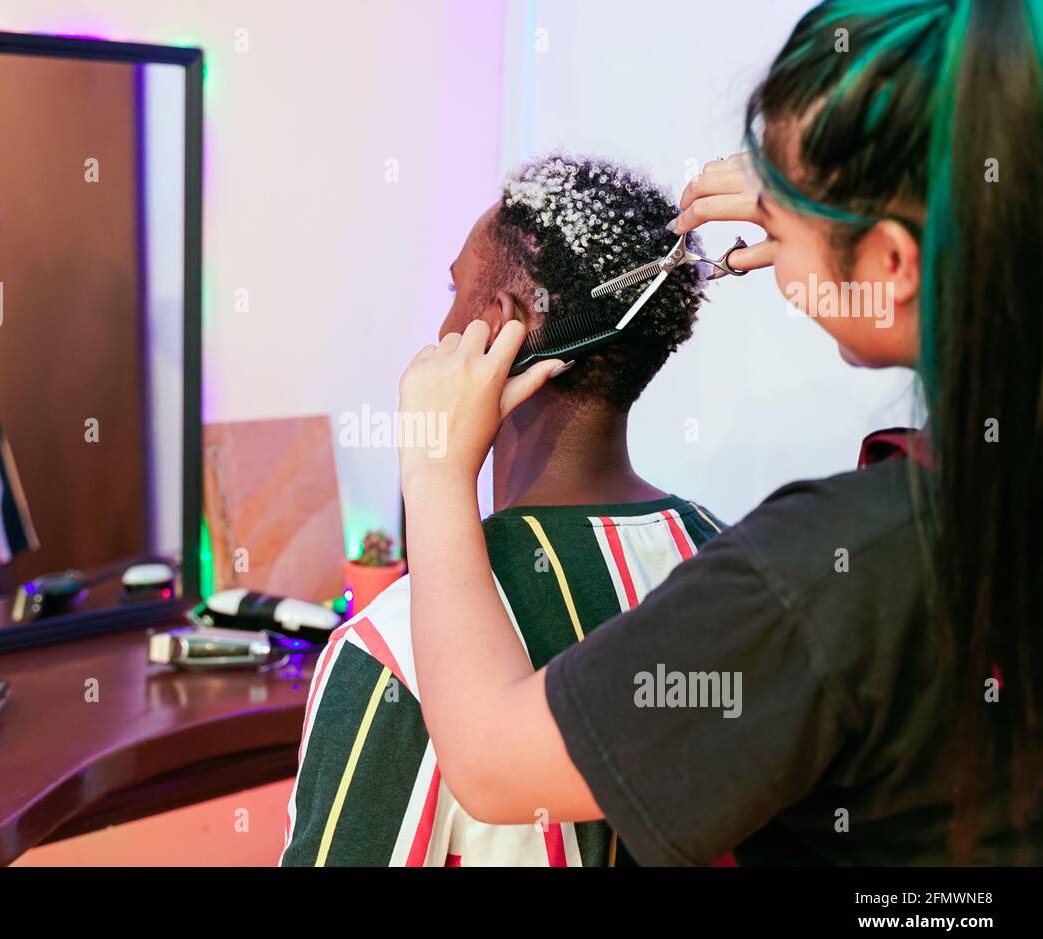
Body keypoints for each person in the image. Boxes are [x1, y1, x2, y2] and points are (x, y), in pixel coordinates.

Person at [395, 0, 1043, 865]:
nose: (767, 224)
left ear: (890, 264)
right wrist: (824, 221)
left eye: (792, 205)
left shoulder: (838, 570)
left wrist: (436, 474)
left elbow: (487, 756)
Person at [281, 154, 724, 866]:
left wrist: (430, 464)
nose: (438, 323)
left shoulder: (398, 652)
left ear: (501, 329)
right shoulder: (730, 561)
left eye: (455, 291)